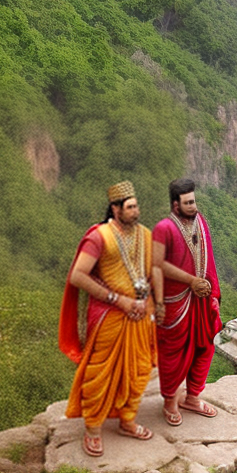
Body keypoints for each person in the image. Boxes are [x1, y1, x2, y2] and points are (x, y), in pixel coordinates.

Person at [59, 180, 162, 457]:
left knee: (139, 369)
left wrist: (151, 303)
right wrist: (119, 299)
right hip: (109, 315)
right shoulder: (99, 237)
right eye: (130, 207)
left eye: (136, 205)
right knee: (99, 371)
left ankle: (127, 420)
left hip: (140, 315)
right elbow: (78, 276)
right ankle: (93, 429)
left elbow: (151, 273)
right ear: (115, 209)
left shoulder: (145, 235)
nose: (136, 211)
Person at [152, 178, 222, 426]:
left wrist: (210, 289)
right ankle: (170, 402)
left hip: (201, 297)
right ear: (175, 205)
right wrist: (191, 281)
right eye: (188, 202)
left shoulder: (199, 222)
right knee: (175, 352)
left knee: (206, 345)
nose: (193, 206)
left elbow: (207, 256)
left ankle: (192, 397)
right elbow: (157, 264)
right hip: (177, 301)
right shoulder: (164, 228)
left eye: (194, 200)